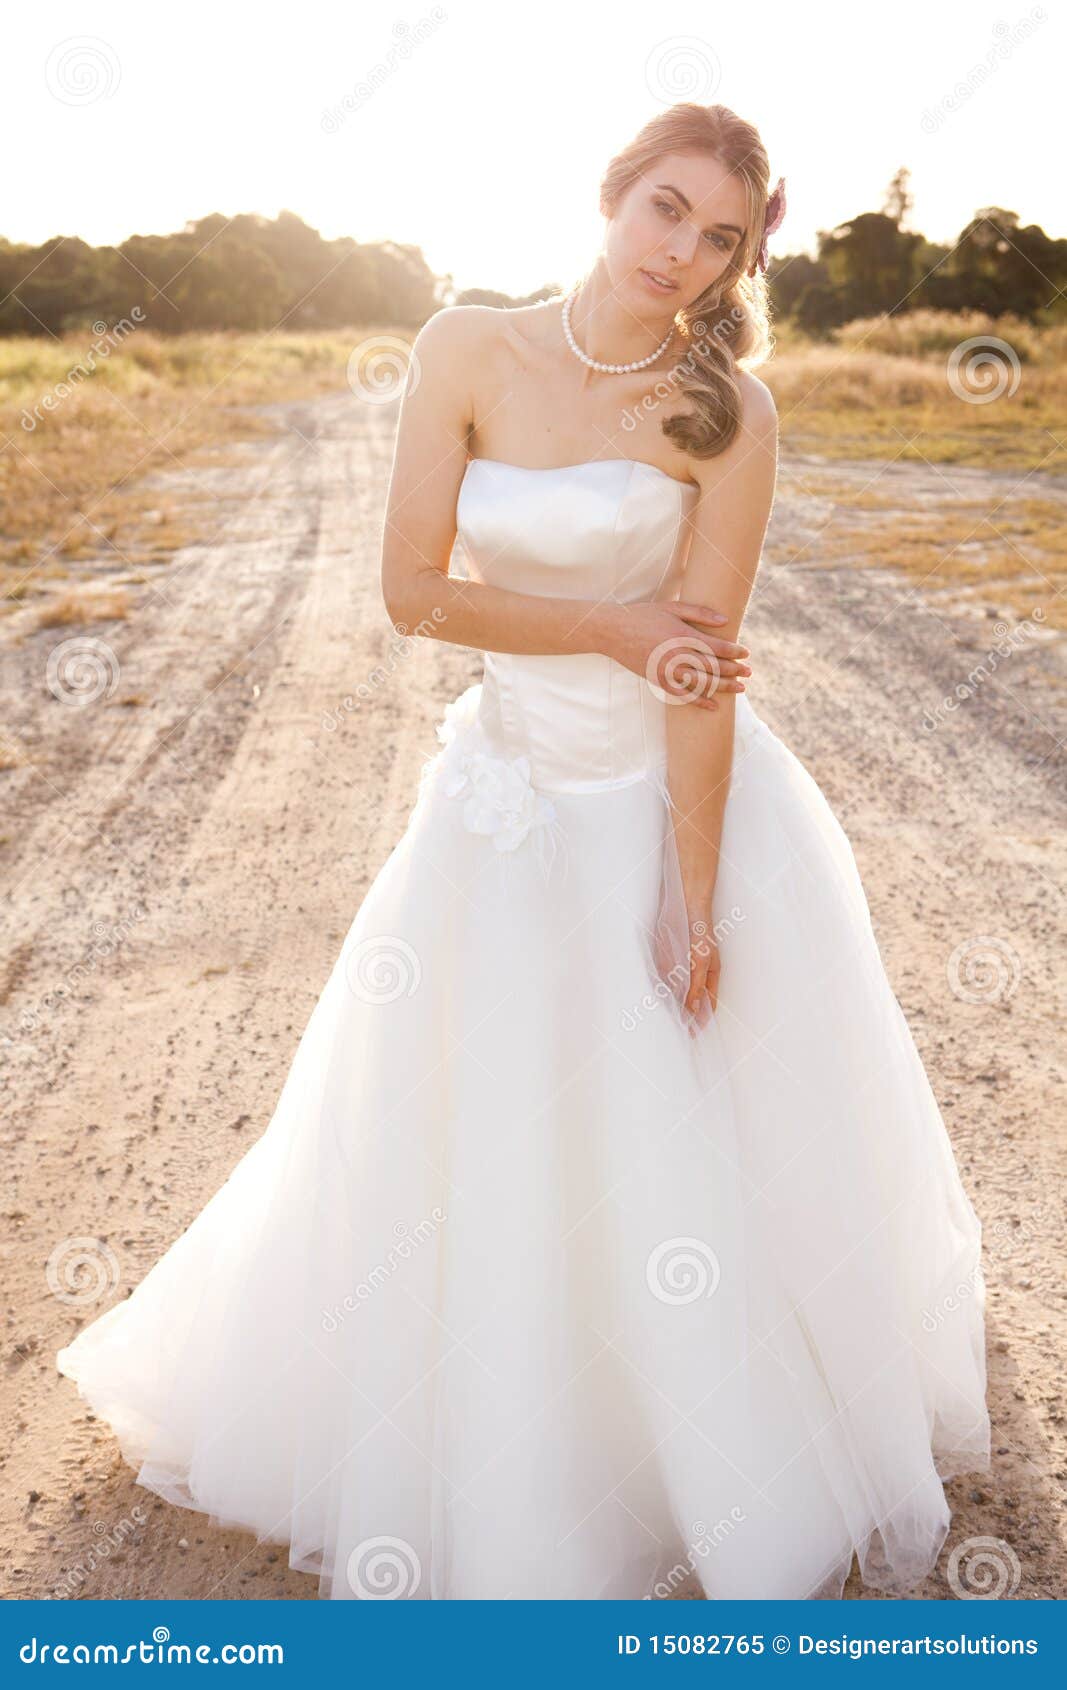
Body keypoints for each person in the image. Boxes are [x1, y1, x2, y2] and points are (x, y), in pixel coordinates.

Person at [56, 100, 990, 1602]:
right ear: (613, 194)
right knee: (466, 1135)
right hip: (502, 802)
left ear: (743, 261)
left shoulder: (728, 417)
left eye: (721, 240)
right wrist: (611, 625)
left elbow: (699, 670)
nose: (680, 254)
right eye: (665, 210)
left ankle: (712, 1455)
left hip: (661, 800)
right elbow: (413, 591)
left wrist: (691, 896)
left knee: (688, 1140)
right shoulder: (466, 349)